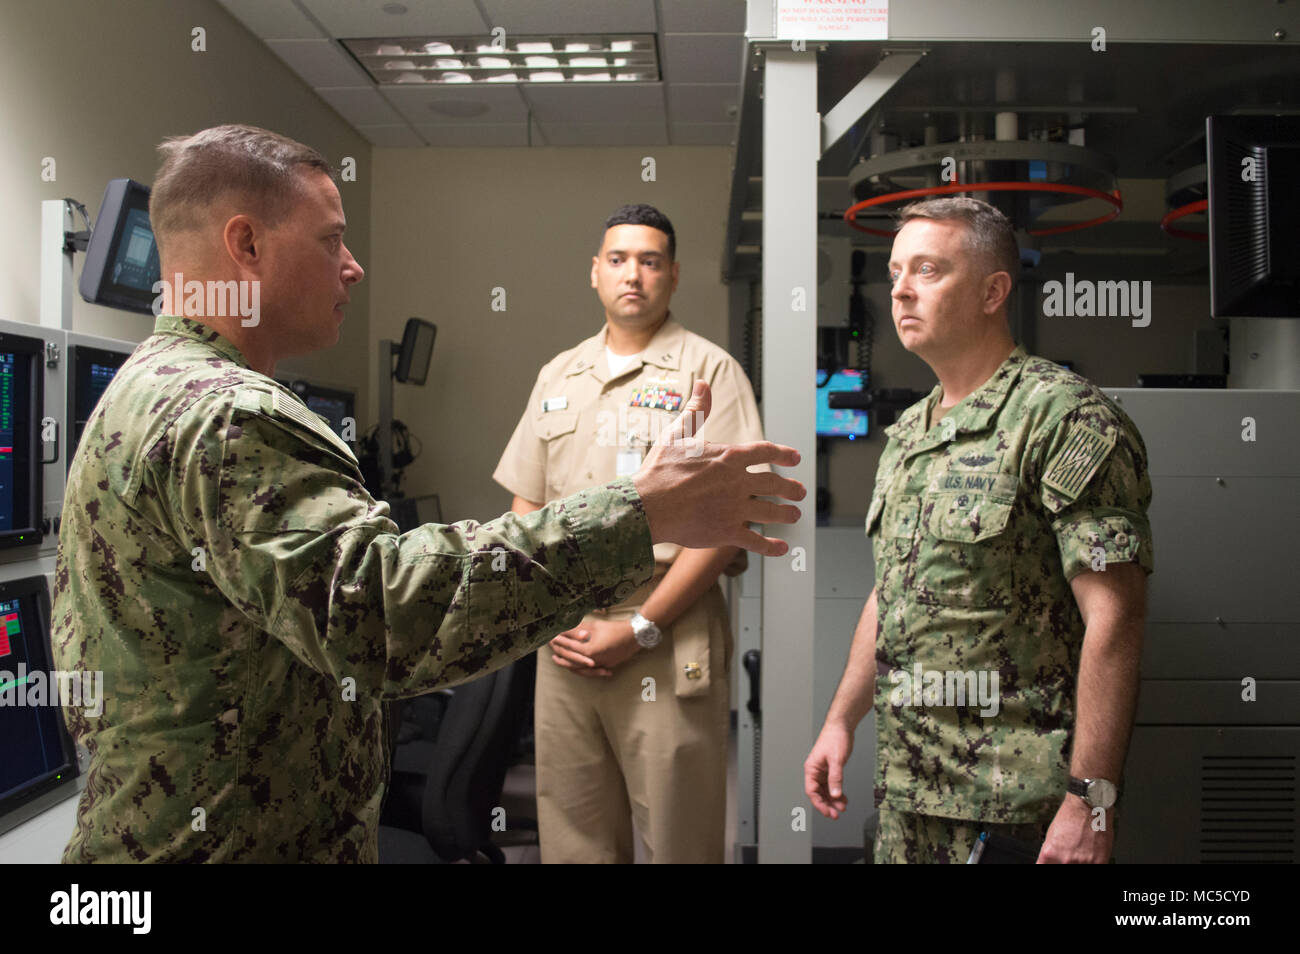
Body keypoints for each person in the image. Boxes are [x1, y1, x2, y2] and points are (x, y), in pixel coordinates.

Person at [51, 125, 805, 863]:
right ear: (247, 246)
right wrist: (638, 515)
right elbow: (382, 612)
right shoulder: (228, 416)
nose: (353, 267)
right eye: (330, 241)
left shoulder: (147, 386)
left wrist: (638, 600)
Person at [804, 196, 1153, 864]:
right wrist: (841, 721)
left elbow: (1118, 619)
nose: (901, 288)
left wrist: (1090, 801)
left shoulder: (1062, 417)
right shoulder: (910, 433)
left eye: (928, 270)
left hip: (1017, 806)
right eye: (895, 270)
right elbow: (892, 596)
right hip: (909, 794)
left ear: (994, 291)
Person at [493, 204, 761, 863]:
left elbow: (728, 524)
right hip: (566, 639)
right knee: (573, 840)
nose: (632, 274)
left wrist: (641, 628)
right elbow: (528, 504)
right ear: (595, 273)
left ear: (673, 275)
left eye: (649, 261)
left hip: (664, 637)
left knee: (680, 840)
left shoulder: (710, 373)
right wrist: (543, 610)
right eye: (617, 259)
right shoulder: (559, 375)